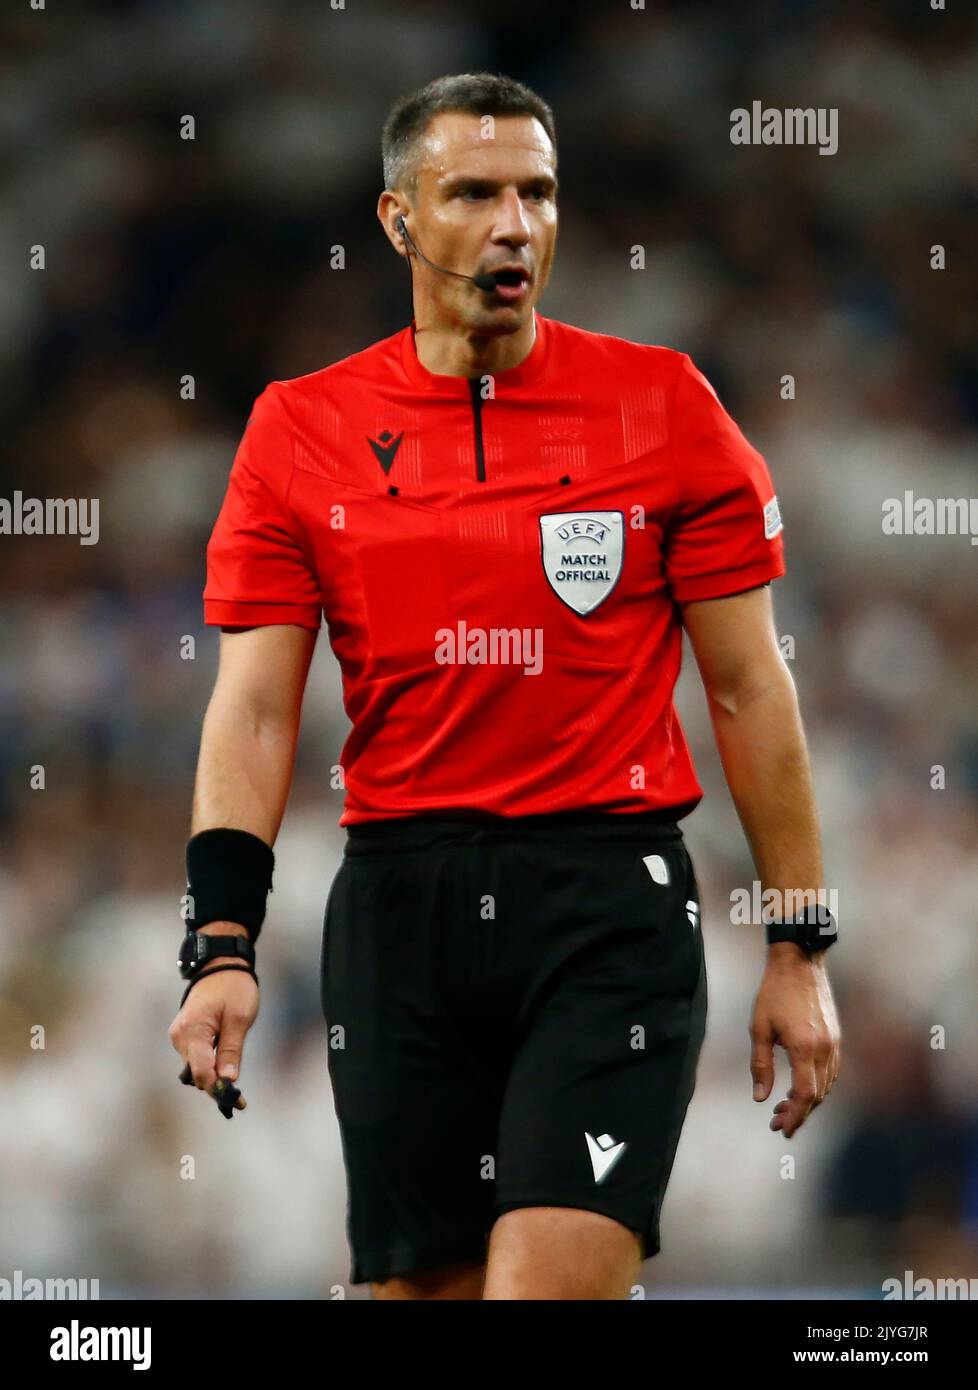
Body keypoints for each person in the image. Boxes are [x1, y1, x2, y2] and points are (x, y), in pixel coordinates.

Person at [168, 71, 841, 1301]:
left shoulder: (664, 405)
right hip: (398, 909)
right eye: (474, 193)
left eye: (536, 192)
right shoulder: (300, 428)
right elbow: (257, 708)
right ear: (398, 220)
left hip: (607, 904)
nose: (514, 223)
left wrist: (799, 937)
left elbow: (750, 688)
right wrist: (221, 942)